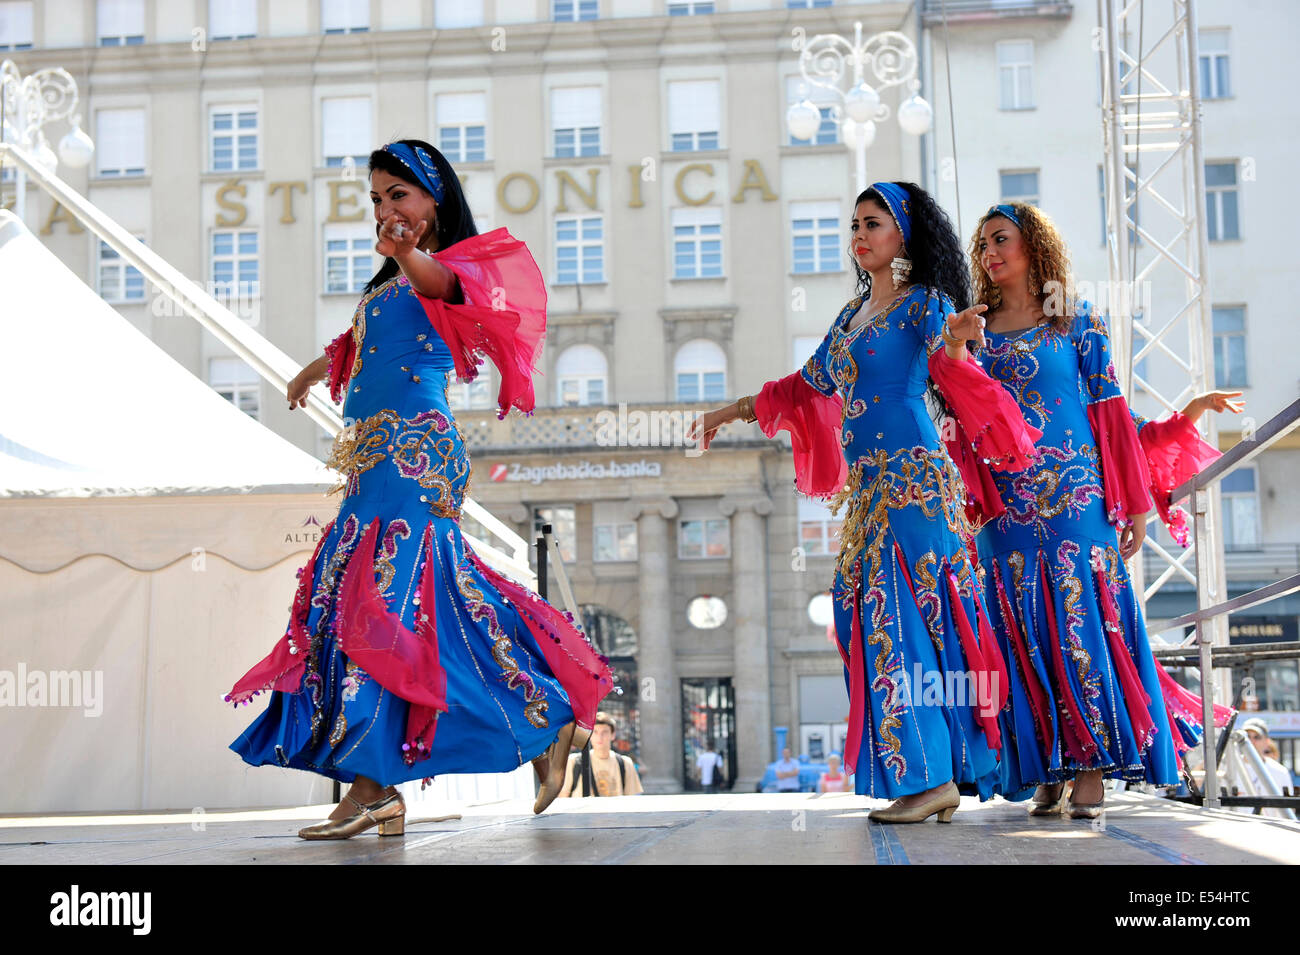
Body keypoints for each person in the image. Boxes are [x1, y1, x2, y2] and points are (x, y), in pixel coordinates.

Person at [222, 140, 614, 839]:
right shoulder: (389, 280)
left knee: (379, 604)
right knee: (406, 600)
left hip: (413, 455)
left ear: (434, 199)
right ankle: (544, 714)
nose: (385, 208)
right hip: (375, 459)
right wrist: (318, 367)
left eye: (397, 194)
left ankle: (374, 786)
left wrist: (405, 252)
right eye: (376, 198)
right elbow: (364, 339)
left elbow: (440, 290)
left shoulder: (453, 269)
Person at [691, 182, 1042, 823]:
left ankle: (935, 776)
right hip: (871, 492)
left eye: (873, 222)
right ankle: (934, 770)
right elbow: (805, 386)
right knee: (871, 621)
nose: (859, 233)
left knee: (914, 621)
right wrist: (730, 410)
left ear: (902, 235)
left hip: (914, 483)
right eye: (854, 223)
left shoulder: (924, 304)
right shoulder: (852, 316)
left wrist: (960, 339)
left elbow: (952, 367)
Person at [959, 202, 1231, 819]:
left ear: (1034, 246)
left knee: (1085, 621)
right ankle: (1042, 767)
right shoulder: (970, 331)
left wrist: (1136, 500)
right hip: (1005, 509)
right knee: (1020, 628)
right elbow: (956, 416)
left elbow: (1112, 419)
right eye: (981, 246)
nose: (988, 254)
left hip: (1079, 503)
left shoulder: (1077, 322)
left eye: (1000, 240)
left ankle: (1089, 764)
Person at [559, 712, 643, 797]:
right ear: (590, 735)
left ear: (613, 735)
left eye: (605, 732)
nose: (600, 737)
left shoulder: (625, 764)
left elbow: (633, 800)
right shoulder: (573, 762)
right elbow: (563, 798)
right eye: (595, 732)